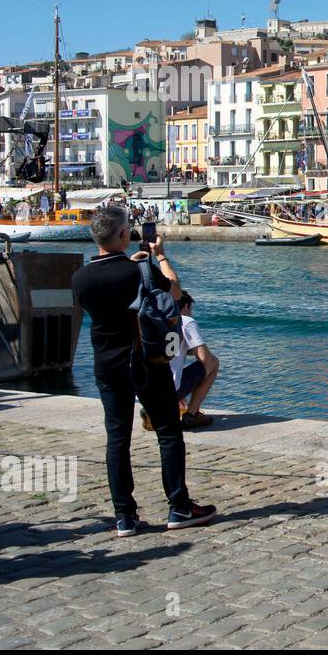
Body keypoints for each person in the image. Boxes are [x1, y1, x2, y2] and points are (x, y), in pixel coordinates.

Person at [71, 204, 217, 536]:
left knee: (117, 438)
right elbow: (175, 292)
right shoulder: (140, 272)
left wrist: (132, 265)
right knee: (168, 432)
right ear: (124, 236)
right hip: (146, 362)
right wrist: (159, 258)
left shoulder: (80, 278)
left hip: (107, 365)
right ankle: (179, 507)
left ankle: (124, 516)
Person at [170, 291, 219, 428]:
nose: (191, 313)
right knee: (214, 362)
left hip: (143, 389)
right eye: (190, 308)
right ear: (185, 306)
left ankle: (152, 412)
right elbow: (205, 359)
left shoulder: (155, 318)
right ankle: (191, 415)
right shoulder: (185, 321)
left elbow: (171, 351)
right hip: (170, 389)